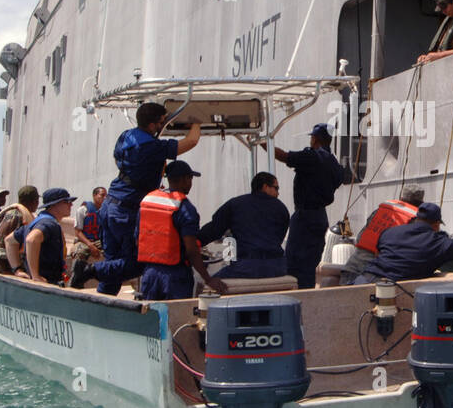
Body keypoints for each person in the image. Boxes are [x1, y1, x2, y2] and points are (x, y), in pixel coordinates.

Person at [74, 103, 201, 295]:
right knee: (138, 262)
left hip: (110, 204)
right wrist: (200, 118)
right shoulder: (152, 147)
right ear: (152, 125)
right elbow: (191, 141)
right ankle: (89, 270)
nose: (162, 126)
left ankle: (103, 302)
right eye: (161, 122)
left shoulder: (126, 136)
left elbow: (117, 158)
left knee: (114, 262)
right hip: (126, 211)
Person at [338, 186, 453, 285]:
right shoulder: (414, 219)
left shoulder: (381, 211)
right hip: (374, 280)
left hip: (350, 273)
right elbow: (445, 240)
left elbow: (361, 238)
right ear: (420, 203)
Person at [135, 161, 227, 301]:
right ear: (185, 179)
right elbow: (191, 250)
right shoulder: (185, 209)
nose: (191, 183)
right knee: (177, 320)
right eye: (190, 179)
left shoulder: (148, 201)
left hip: (149, 274)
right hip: (174, 277)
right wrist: (208, 279)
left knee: (152, 319)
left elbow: (138, 238)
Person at [274, 123, 345, 289]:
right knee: (310, 262)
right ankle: (307, 294)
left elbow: (286, 157)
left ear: (315, 139)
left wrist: (263, 144)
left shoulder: (313, 157)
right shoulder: (334, 163)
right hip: (320, 217)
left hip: (304, 217)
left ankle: (297, 298)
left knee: (294, 263)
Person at [198, 172, 291, 280]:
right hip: (277, 267)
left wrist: (194, 242)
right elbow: (279, 237)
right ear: (265, 187)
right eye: (276, 188)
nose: (278, 193)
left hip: (245, 268)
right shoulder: (282, 208)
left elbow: (214, 229)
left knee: (207, 287)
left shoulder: (235, 204)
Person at [7, 188, 78, 286]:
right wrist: (35, 276)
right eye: (66, 202)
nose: (71, 205)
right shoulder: (49, 224)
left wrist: (17, 270)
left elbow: (9, 241)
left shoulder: (35, 222)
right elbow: (31, 240)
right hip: (47, 283)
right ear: (54, 205)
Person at [0, 185, 40, 276]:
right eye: (36, 200)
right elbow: (0, 243)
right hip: (2, 261)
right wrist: (15, 268)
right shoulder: (15, 215)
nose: (37, 203)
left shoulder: (23, 214)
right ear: (31, 201)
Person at [70, 186, 107, 266]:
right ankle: (77, 275)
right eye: (102, 195)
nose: (105, 198)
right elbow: (78, 232)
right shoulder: (82, 210)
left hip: (100, 241)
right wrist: (90, 245)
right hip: (85, 241)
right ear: (94, 195)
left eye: (106, 196)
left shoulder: (107, 211)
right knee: (79, 252)